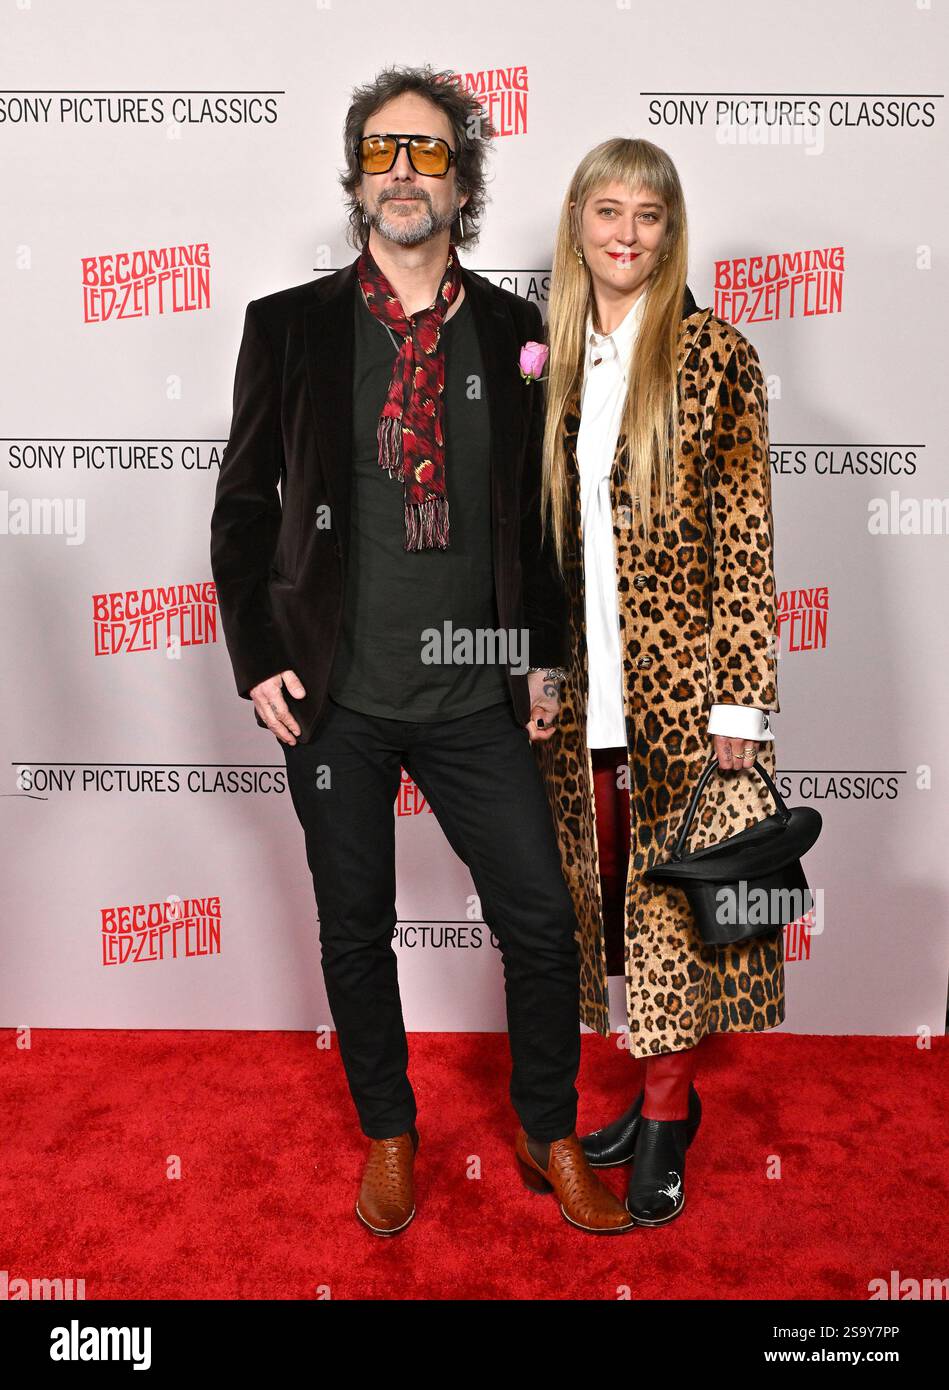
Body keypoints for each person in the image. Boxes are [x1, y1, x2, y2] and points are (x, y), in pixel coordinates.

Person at [209, 66, 635, 1236]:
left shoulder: (518, 333)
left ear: (464, 181)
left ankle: (549, 1132)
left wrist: (543, 657)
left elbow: (547, 515)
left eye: (432, 152)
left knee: (543, 921)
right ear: (356, 175)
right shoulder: (286, 327)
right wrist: (257, 655)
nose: (406, 171)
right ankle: (390, 1134)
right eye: (385, 150)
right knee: (354, 925)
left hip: (473, 693)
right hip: (334, 696)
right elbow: (243, 508)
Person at [533, 137, 783, 1226]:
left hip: (685, 700)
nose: (626, 234)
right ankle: (642, 1097)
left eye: (648, 215)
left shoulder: (715, 356)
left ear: (669, 234)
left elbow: (746, 538)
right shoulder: (545, 356)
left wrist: (738, 702)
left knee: (678, 919)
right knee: (614, 915)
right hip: (578, 693)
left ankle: (670, 1113)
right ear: (578, 224)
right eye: (607, 211)